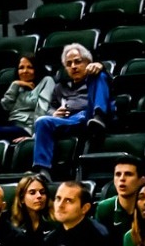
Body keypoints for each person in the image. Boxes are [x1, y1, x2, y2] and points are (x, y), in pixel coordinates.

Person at [31, 46, 115, 176]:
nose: (73, 66)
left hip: (91, 116)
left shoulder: (97, 77)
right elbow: (51, 107)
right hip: (70, 120)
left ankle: (99, 117)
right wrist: (53, 113)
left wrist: (101, 67)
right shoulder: (60, 87)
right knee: (41, 121)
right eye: (69, 64)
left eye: (78, 61)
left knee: (98, 76)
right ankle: (43, 171)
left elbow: (112, 84)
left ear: (88, 63)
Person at [95, 159, 145, 235]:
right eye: (118, 174)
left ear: (142, 180)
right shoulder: (104, 208)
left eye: (128, 174)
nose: (122, 179)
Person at [15, 173, 54, 244]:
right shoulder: (10, 224)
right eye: (32, 192)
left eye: (42, 192)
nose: (39, 196)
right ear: (22, 199)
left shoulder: (55, 221)